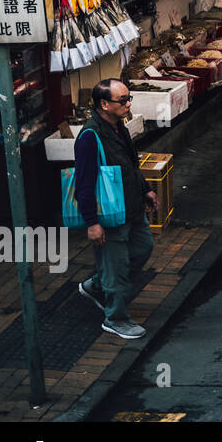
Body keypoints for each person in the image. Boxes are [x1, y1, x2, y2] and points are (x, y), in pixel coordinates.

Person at [75, 78, 155, 340]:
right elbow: (84, 183)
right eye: (123, 100)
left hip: (131, 206)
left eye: (128, 98)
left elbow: (130, 164)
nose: (128, 103)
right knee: (117, 267)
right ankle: (115, 318)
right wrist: (92, 223)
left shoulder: (120, 126)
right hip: (110, 213)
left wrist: (146, 189)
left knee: (143, 248)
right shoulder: (89, 137)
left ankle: (98, 286)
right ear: (104, 104)